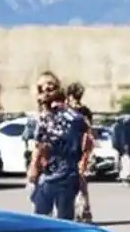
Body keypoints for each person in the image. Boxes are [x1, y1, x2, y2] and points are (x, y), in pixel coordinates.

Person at [28, 72, 91, 220]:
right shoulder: (76, 116)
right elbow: (88, 139)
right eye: (41, 89)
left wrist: (33, 170)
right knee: (61, 220)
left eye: (48, 89)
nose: (43, 93)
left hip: (59, 175)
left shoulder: (47, 117)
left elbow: (40, 147)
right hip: (61, 174)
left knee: (42, 220)